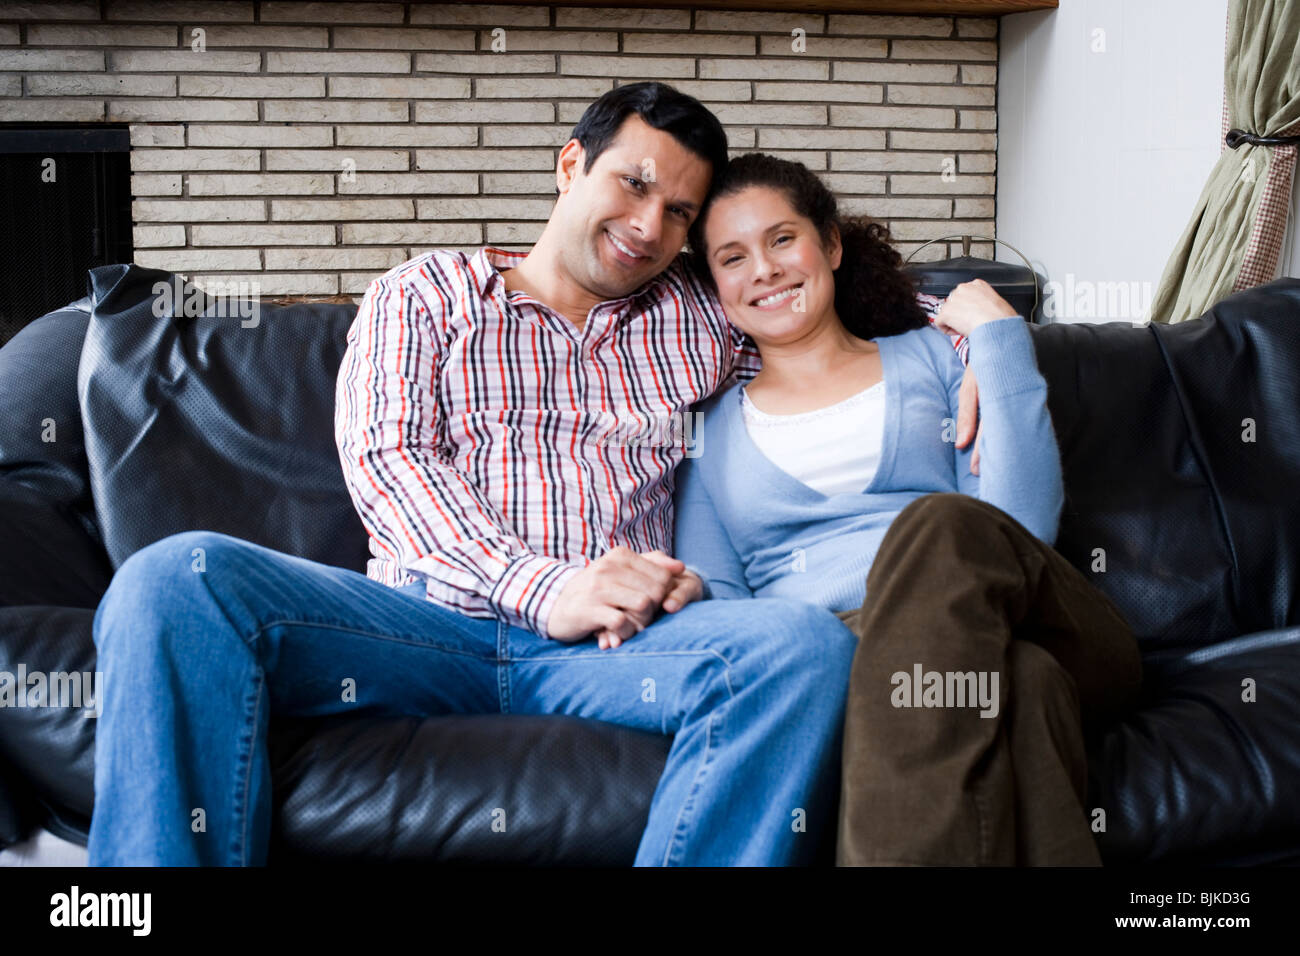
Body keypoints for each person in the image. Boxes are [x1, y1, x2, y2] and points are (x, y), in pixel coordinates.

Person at [89, 83, 986, 867]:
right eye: (635, 184)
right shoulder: (425, 293)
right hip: (422, 628)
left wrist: (969, 326)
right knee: (175, 579)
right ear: (571, 166)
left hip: (615, 650)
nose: (649, 226)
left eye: (679, 213)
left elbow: (804, 299)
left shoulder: (694, 320)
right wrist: (543, 585)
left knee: (803, 649)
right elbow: (390, 463)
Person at [675, 152, 1143, 866]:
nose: (763, 270)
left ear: (829, 245)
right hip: (856, 657)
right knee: (1024, 682)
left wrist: (997, 340)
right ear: (714, 286)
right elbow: (725, 608)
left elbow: (1021, 528)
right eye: (732, 257)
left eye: (781, 239)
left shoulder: (934, 357)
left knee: (940, 526)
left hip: (1035, 614)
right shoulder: (707, 430)